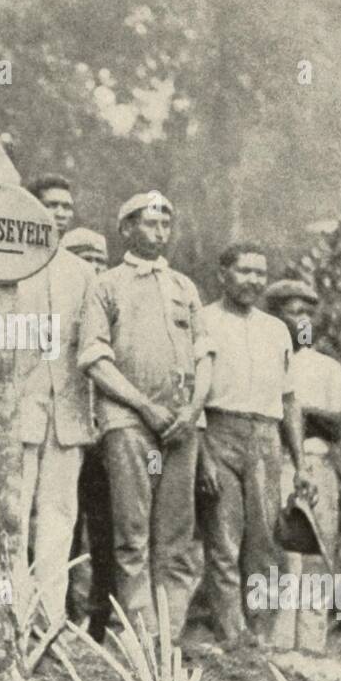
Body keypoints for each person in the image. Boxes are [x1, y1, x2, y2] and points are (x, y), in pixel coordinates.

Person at [77, 191, 213, 639]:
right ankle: (139, 630)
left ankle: (168, 635)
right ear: (127, 228)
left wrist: (190, 411)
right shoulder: (107, 285)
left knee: (175, 535)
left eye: (166, 224)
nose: (160, 232)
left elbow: (205, 357)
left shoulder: (184, 288)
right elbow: (96, 359)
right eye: (150, 223)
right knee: (131, 533)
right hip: (130, 424)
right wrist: (144, 406)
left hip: (180, 427)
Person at [194, 244, 311, 645]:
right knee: (223, 541)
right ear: (223, 274)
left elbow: (290, 398)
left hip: (265, 438)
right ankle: (231, 636)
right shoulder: (203, 320)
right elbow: (192, 394)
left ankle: (258, 637)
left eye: (260, 273)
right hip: (218, 429)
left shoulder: (276, 329)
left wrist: (301, 461)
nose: (253, 280)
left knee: (264, 544)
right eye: (244, 271)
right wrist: (203, 453)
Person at [12, 179, 98, 634]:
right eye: (50, 205)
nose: (60, 213)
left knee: (60, 514)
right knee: (15, 508)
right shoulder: (9, 264)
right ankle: (12, 610)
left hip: (67, 411)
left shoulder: (82, 274)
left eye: (66, 206)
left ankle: (51, 615)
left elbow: (93, 344)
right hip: (21, 406)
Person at [265, 279, 341, 654]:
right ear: (276, 316)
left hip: (318, 463)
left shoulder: (326, 366)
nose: (304, 320)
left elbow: (340, 425)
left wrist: (298, 412)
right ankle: (279, 645)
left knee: (317, 555)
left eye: (309, 312)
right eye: (294, 311)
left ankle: (313, 647)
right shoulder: (266, 357)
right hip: (275, 463)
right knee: (283, 554)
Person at [58, 228, 116, 640]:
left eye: (100, 261)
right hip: (63, 432)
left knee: (107, 531)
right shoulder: (57, 309)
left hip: (106, 436)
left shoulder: (116, 309)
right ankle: (60, 613)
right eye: (84, 260)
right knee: (62, 526)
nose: (93, 269)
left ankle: (98, 620)